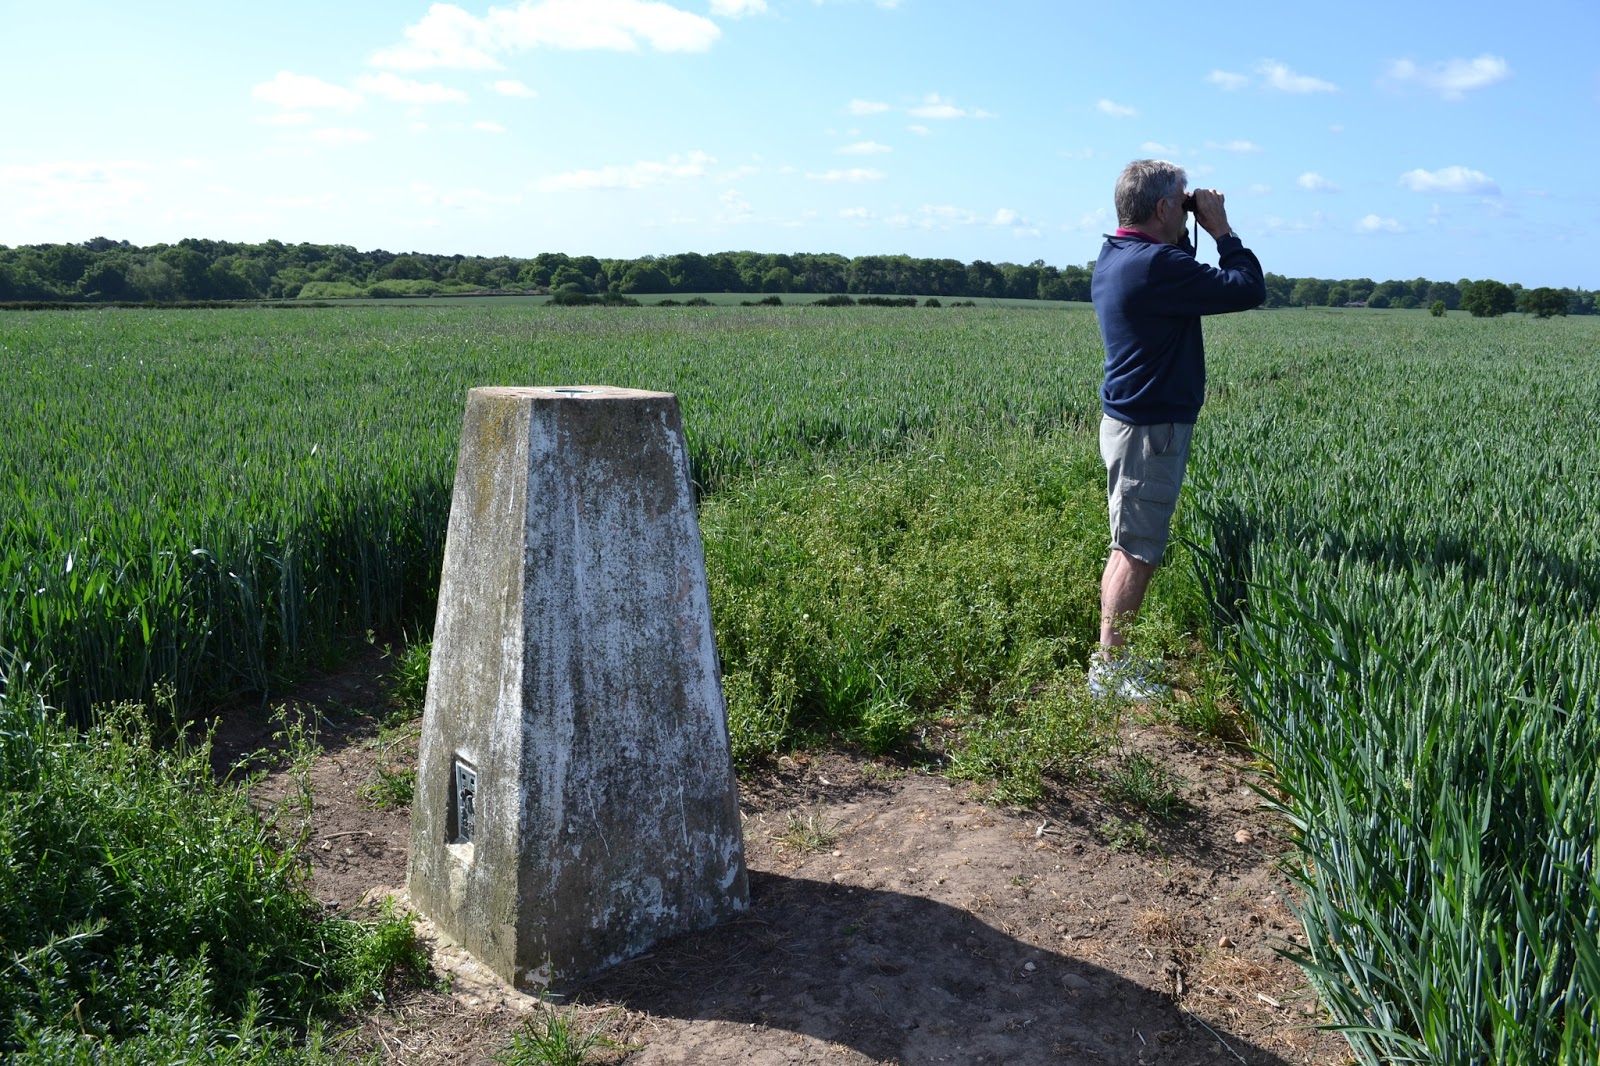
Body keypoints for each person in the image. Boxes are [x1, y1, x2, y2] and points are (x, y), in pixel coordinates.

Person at [1087, 159, 1265, 699]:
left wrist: (1182, 227)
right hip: (1150, 429)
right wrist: (1221, 230)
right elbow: (1245, 288)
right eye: (1182, 202)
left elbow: (1175, 266)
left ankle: (1109, 660)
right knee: (1138, 550)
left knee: (1126, 544)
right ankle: (1111, 671)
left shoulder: (1120, 254)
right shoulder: (1155, 266)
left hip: (1133, 421)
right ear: (1164, 208)